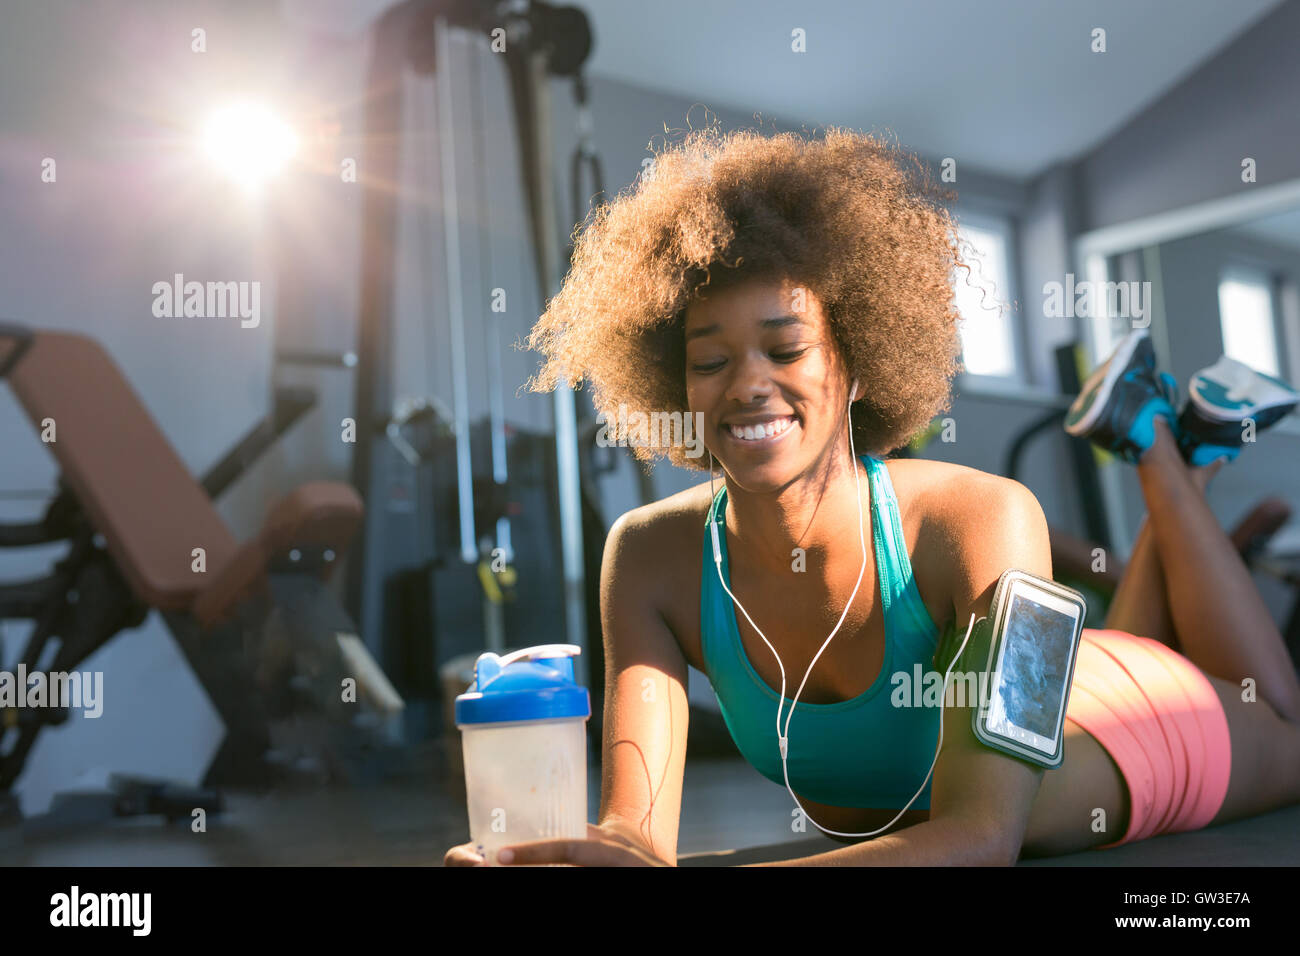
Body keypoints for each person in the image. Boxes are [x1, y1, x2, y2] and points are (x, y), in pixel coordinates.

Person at [445, 126, 1300, 866]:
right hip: (1070, 684)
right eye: (709, 362)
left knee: (1285, 723)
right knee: (1128, 645)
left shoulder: (987, 518)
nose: (747, 384)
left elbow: (981, 838)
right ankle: (1185, 449)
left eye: (786, 350)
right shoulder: (649, 557)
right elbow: (636, 835)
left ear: (855, 365)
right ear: (677, 384)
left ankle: (1154, 443)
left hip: (1147, 733)